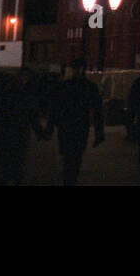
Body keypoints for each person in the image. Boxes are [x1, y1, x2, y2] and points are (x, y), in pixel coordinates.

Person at [46, 58, 105, 186]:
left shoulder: (72, 86)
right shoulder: (85, 87)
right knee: (71, 158)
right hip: (72, 127)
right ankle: (70, 179)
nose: (77, 71)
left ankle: (69, 180)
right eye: (76, 68)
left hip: (74, 127)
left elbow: (97, 111)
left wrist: (99, 132)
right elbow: (55, 108)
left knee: (72, 158)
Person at [0, 68, 44, 185]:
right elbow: (31, 115)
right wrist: (40, 131)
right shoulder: (19, 93)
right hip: (14, 131)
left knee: (12, 160)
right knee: (13, 159)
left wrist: (39, 131)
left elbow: (31, 115)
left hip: (14, 131)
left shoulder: (14, 92)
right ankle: (11, 178)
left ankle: (9, 178)